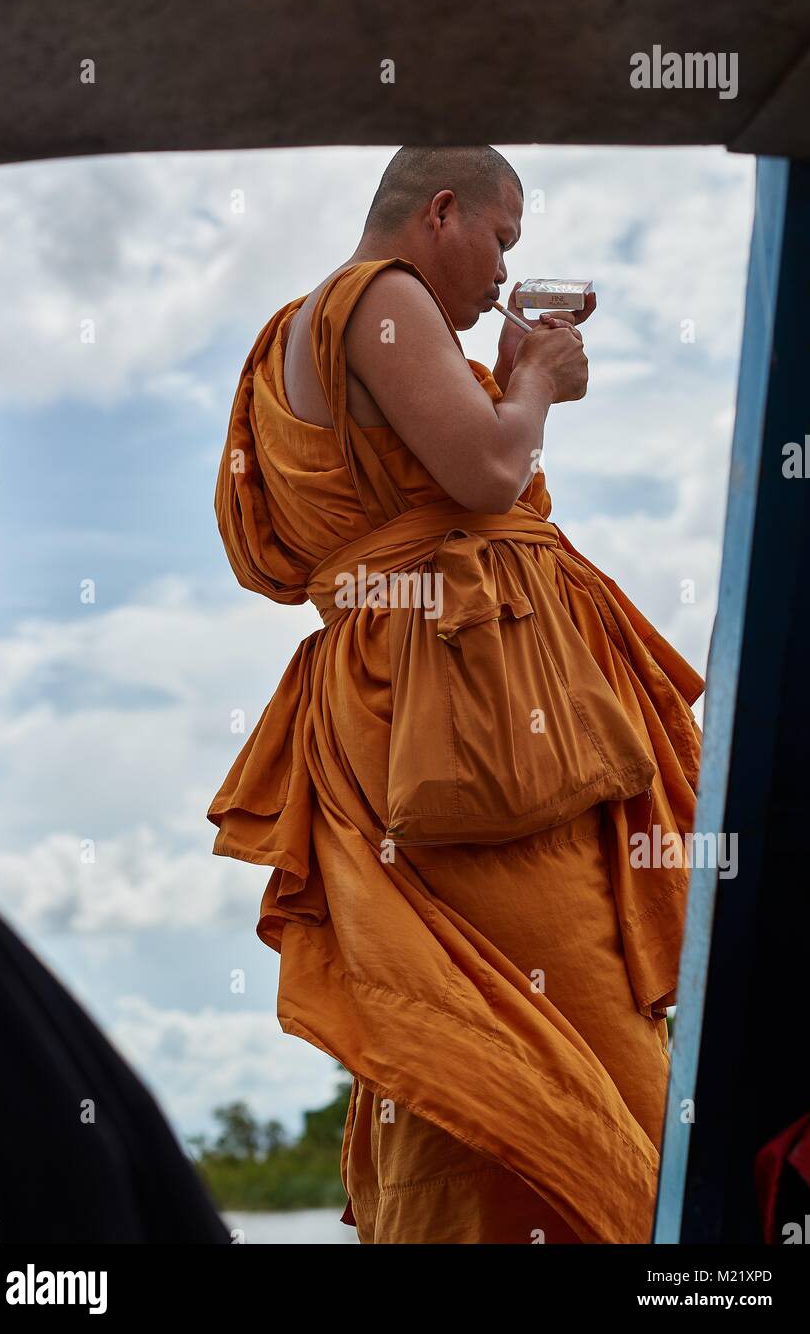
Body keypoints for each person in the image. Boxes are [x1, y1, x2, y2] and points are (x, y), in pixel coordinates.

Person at [207, 146, 704, 1244]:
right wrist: (532, 386)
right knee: (577, 1031)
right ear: (440, 213)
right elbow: (484, 475)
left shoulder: (299, 334)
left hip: (407, 712)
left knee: (450, 1024)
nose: (497, 278)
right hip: (469, 736)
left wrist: (510, 378)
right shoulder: (378, 299)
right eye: (500, 244)